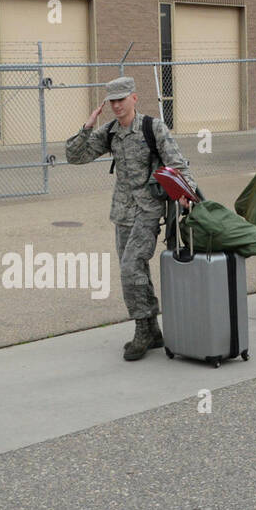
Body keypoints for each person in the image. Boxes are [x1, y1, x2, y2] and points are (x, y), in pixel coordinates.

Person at [65, 76, 197, 361]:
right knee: (137, 270)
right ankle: (153, 329)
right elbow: (74, 156)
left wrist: (187, 193)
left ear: (134, 98)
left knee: (129, 267)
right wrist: (87, 126)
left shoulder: (152, 127)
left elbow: (177, 162)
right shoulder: (110, 132)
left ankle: (141, 328)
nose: (116, 106)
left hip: (148, 209)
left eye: (121, 100)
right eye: (112, 101)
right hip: (122, 211)